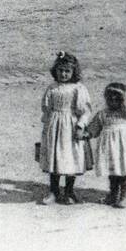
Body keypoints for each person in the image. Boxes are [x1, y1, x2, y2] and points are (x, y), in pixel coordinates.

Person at [38, 51, 91, 205]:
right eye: (60, 70)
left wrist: (81, 125)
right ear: (55, 71)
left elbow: (85, 110)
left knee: (70, 157)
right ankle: (54, 191)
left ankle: (69, 191)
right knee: (54, 157)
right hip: (54, 126)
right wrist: (48, 124)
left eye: (67, 71)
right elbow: (46, 107)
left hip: (70, 126)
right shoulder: (52, 88)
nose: (63, 74)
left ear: (74, 72)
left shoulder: (78, 88)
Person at [85, 82, 126, 208]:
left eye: (117, 97)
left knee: (124, 172)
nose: (113, 99)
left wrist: (124, 91)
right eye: (110, 96)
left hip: (124, 149)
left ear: (123, 99)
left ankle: (124, 197)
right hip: (109, 149)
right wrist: (87, 134)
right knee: (113, 173)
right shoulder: (103, 113)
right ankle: (113, 195)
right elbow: (94, 128)